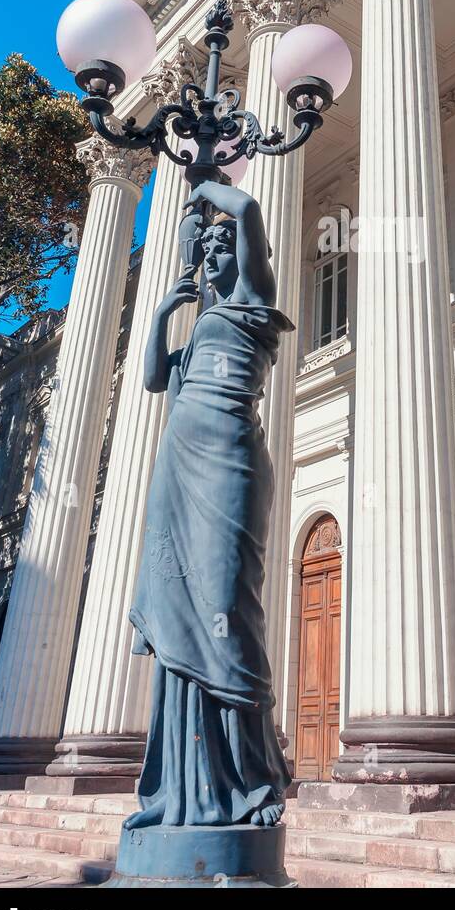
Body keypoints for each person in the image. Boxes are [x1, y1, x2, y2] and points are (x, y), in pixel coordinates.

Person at [124, 177, 293, 830]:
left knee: (225, 605)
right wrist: (167, 306)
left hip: (230, 468)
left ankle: (252, 780)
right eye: (211, 246)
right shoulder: (198, 329)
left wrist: (199, 182)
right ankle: (185, 791)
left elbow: (247, 209)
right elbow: (151, 379)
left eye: (226, 246)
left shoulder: (254, 300)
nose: (218, 253)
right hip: (176, 473)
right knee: (177, 611)